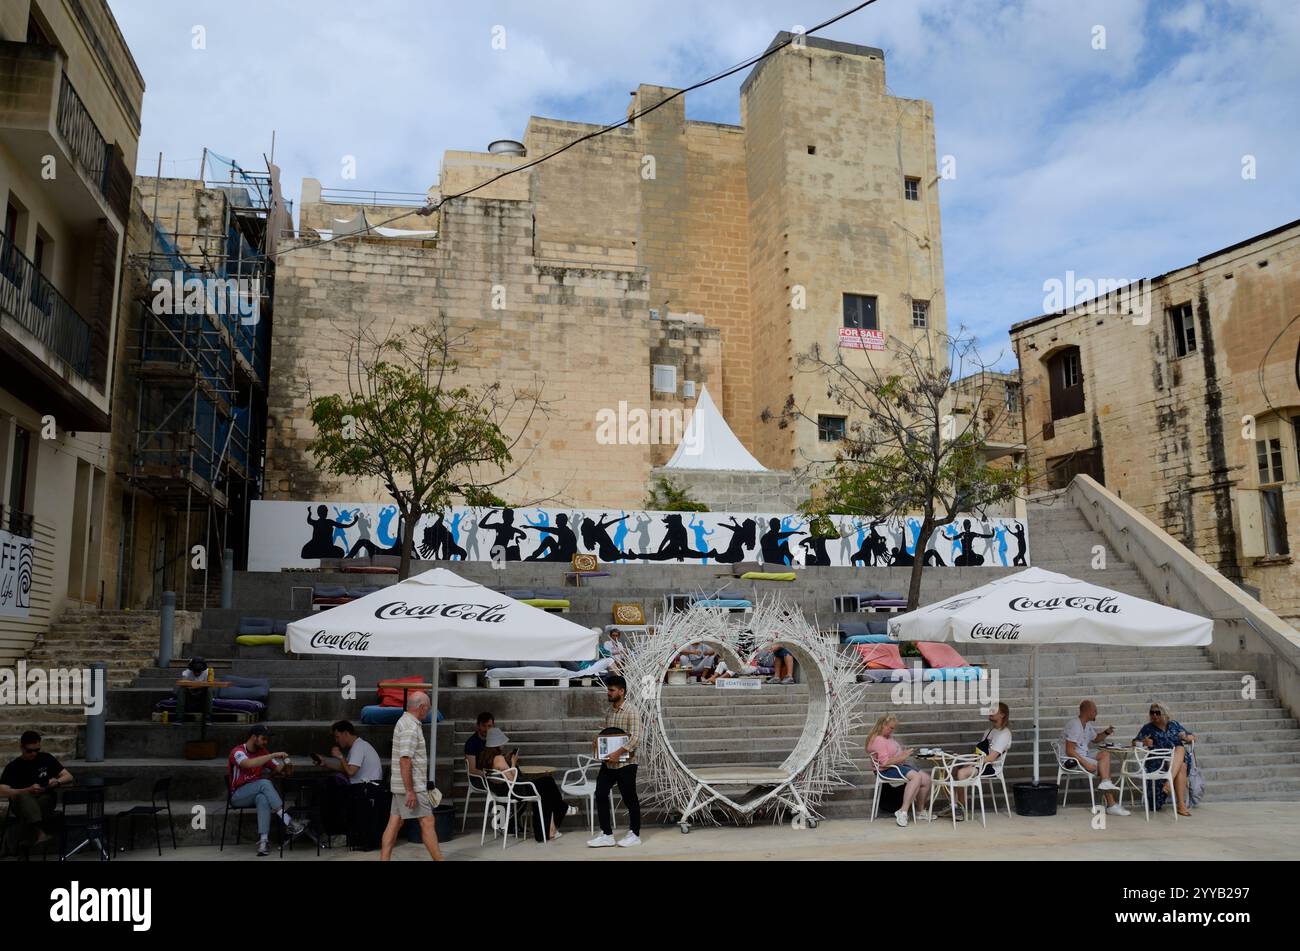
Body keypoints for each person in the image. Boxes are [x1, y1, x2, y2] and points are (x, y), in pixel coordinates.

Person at [380, 692, 444, 861]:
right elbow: (405, 760)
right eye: (428, 708)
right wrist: (410, 790)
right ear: (421, 707)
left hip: (402, 784)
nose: (428, 712)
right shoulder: (410, 727)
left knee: (394, 823)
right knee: (427, 822)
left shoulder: (406, 722)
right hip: (411, 785)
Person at [227, 724, 307, 856]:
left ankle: (263, 842)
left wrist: (287, 763)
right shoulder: (238, 751)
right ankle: (288, 821)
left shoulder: (263, 752)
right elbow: (248, 764)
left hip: (255, 793)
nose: (266, 742)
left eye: (267, 739)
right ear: (253, 737)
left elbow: (282, 770)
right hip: (238, 795)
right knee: (264, 783)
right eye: (263, 738)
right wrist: (273, 755)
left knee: (263, 798)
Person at [478, 727, 569, 841]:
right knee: (548, 782)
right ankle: (561, 809)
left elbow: (502, 772)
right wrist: (513, 763)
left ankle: (551, 827)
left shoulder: (486, 758)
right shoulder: (499, 758)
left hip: (501, 791)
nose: (503, 745)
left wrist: (507, 759)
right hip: (516, 791)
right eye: (501, 743)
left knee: (546, 787)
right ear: (497, 743)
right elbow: (513, 780)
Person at [587, 675, 642, 848]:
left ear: (621, 691)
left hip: (626, 764)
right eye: (608, 690)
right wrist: (599, 743)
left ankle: (635, 834)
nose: (608, 693)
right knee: (600, 794)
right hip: (609, 763)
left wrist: (618, 752)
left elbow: (636, 738)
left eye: (611, 690)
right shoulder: (609, 711)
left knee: (630, 798)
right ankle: (607, 834)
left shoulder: (631, 711)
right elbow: (608, 735)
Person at [0, 731, 73, 855]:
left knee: (30, 808)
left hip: (45, 800)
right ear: (22, 748)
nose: (34, 753)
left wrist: (56, 781)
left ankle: (23, 842)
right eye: (29, 751)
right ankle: (40, 832)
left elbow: (68, 776)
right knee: (24, 797)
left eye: (37, 750)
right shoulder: (13, 766)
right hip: (21, 802)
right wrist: (27, 790)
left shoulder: (46, 758)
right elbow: (2, 790)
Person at [310, 720, 383, 841]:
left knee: (327, 793)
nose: (336, 741)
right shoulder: (357, 747)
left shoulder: (359, 747)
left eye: (337, 737)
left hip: (366, 788)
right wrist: (325, 763)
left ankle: (335, 834)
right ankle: (331, 832)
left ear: (346, 733)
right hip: (362, 787)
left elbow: (350, 771)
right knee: (326, 786)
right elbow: (345, 768)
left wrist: (340, 756)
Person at [941, 702, 1012, 821]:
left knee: (962, 773)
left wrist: (972, 762)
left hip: (991, 766)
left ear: (1002, 715)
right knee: (952, 767)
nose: (990, 711)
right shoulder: (989, 731)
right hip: (979, 761)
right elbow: (979, 752)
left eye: (994, 710)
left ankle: (961, 808)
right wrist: (964, 759)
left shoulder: (1004, 733)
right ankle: (953, 804)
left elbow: (991, 758)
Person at [1062, 699, 1130, 816]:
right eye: (1095, 710)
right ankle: (1111, 804)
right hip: (1071, 759)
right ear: (1087, 711)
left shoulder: (1087, 724)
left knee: (1105, 755)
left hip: (1082, 753)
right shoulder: (1074, 725)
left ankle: (1106, 784)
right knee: (1104, 769)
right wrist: (1086, 764)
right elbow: (1069, 751)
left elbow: (1096, 739)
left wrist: (1107, 732)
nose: (1096, 713)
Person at [866, 714, 932, 826]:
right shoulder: (879, 739)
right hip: (886, 770)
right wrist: (902, 757)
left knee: (926, 779)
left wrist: (903, 754)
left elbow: (893, 754)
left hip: (898, 765)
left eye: (893, 728)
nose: (892, 730)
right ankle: (903, 811)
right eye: (890, 728)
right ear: (883, 725)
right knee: (916, 777)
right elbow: (885, 762)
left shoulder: (887, 737)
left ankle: (920, 811)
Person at [1133, 702, 1197, 816]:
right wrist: (1144, 742)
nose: (1154, 715)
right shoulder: (1148, 728)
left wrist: (1185, 737)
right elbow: (1134, 742)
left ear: (1165, 713)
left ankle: (1179, 801)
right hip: (1158, 762)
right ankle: (1171, 784)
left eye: (1157, 713)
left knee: (1180, 749)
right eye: (1152, 713)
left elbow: (1192, 737)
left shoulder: (1174, 725)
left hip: (1177, 757)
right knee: (1155, 806)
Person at [173, 656, 214, 725]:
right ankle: (179, 718)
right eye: (195, 671)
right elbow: (183, 684)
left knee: (209, 690)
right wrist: (197, 686)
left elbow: (210, 685)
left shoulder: (208, 672)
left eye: (199, 671)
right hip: (190, 695)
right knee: (181, 689)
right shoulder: (186, 673)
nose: (197, 673)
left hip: (201, 694)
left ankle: (208, 718)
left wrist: (195, 686)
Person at [463, 711, 496, 776]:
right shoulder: (471, 743)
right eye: (484, 726)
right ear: (478, 726)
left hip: (494, 774)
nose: (487, 729)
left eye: (489, 726)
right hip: (480, 778)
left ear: (493, 726)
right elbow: (472, 770)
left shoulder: (493, 739)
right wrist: (491, 775)